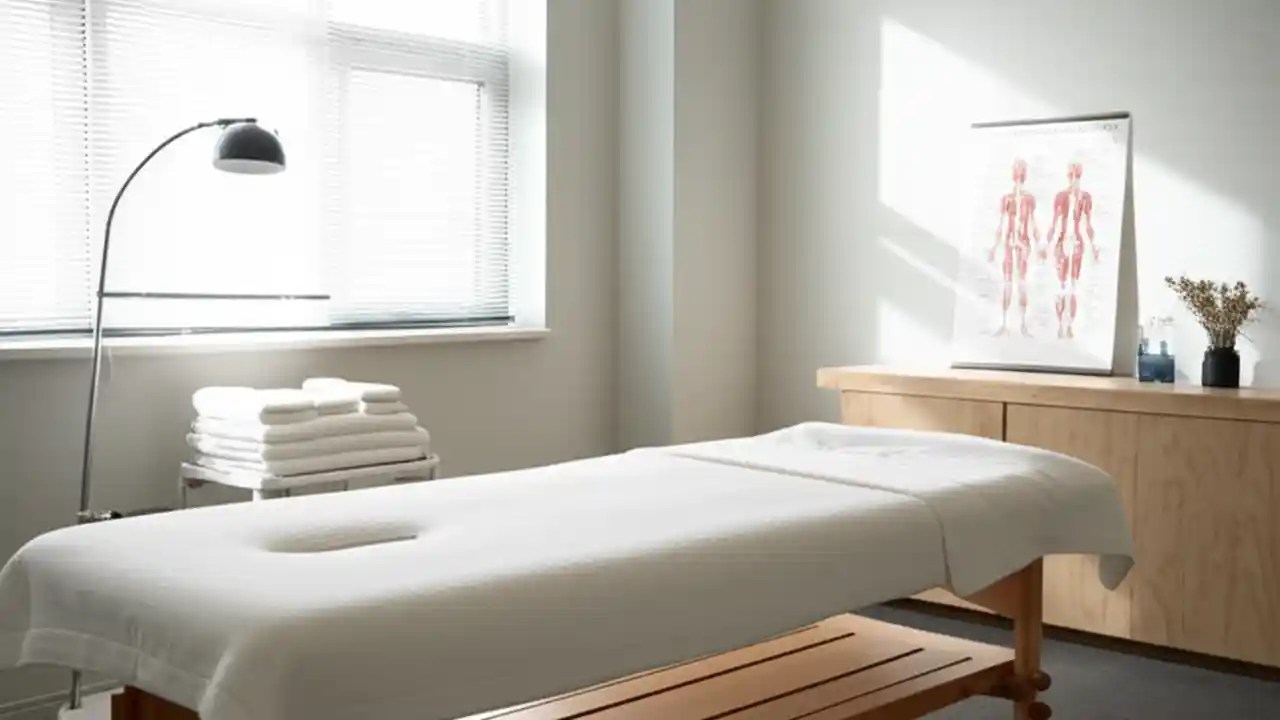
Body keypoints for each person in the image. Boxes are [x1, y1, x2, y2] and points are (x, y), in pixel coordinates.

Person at [987, 158, 1041, 336]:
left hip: (1023, 245)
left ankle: (1023, 324)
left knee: (1021, 284)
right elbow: (1002, 224)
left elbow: (1032, 223)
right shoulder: (1007, 199)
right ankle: (1004, 323)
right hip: (1010, 245)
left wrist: (1039, 244)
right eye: (1017, 171)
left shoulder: (1028, 199)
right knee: (1008, 284)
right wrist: (994, 247)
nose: (1018, 175)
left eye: (1020, 171)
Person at [1045, 161, 1098, 339]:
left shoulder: (1086, 197)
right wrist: (1046, 245)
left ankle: (1070, 326)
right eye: (1071, 174)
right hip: (1062, 242)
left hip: (1076, 242)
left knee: (1073, 287)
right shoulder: (1061, 196)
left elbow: (1088, 225)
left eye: (1076, 175)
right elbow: (1053, 223)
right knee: (1061, 286)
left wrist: (1094, 246)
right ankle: (1061, 324)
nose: (1074, 178)